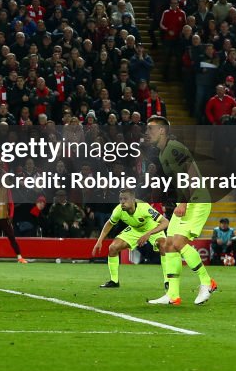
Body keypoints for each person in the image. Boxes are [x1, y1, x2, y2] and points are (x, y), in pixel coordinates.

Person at [144, 116, 218, 306]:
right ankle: (172, 294)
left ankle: (206, 282)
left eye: (151, 129)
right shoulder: (162, 153)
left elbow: (189, 172)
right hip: (185, 200)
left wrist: (183, 201)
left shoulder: (173, 148)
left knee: (177, 242)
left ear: (162, 131)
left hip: (197, 200)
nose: (147, 132)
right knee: (168, 244)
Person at [92, 189, 169, 288]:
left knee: (163, 245)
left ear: (133, 199)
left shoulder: (144, 207)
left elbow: (165, 222)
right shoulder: (118, 210)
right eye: (120, 199)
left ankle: (168, 281)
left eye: (125, 199)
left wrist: (148, 234)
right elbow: (109, 223)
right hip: (135, 229)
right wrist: (99, 241)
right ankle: (114, 281)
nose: (122, 202)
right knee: (113, 248)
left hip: (151, 228)